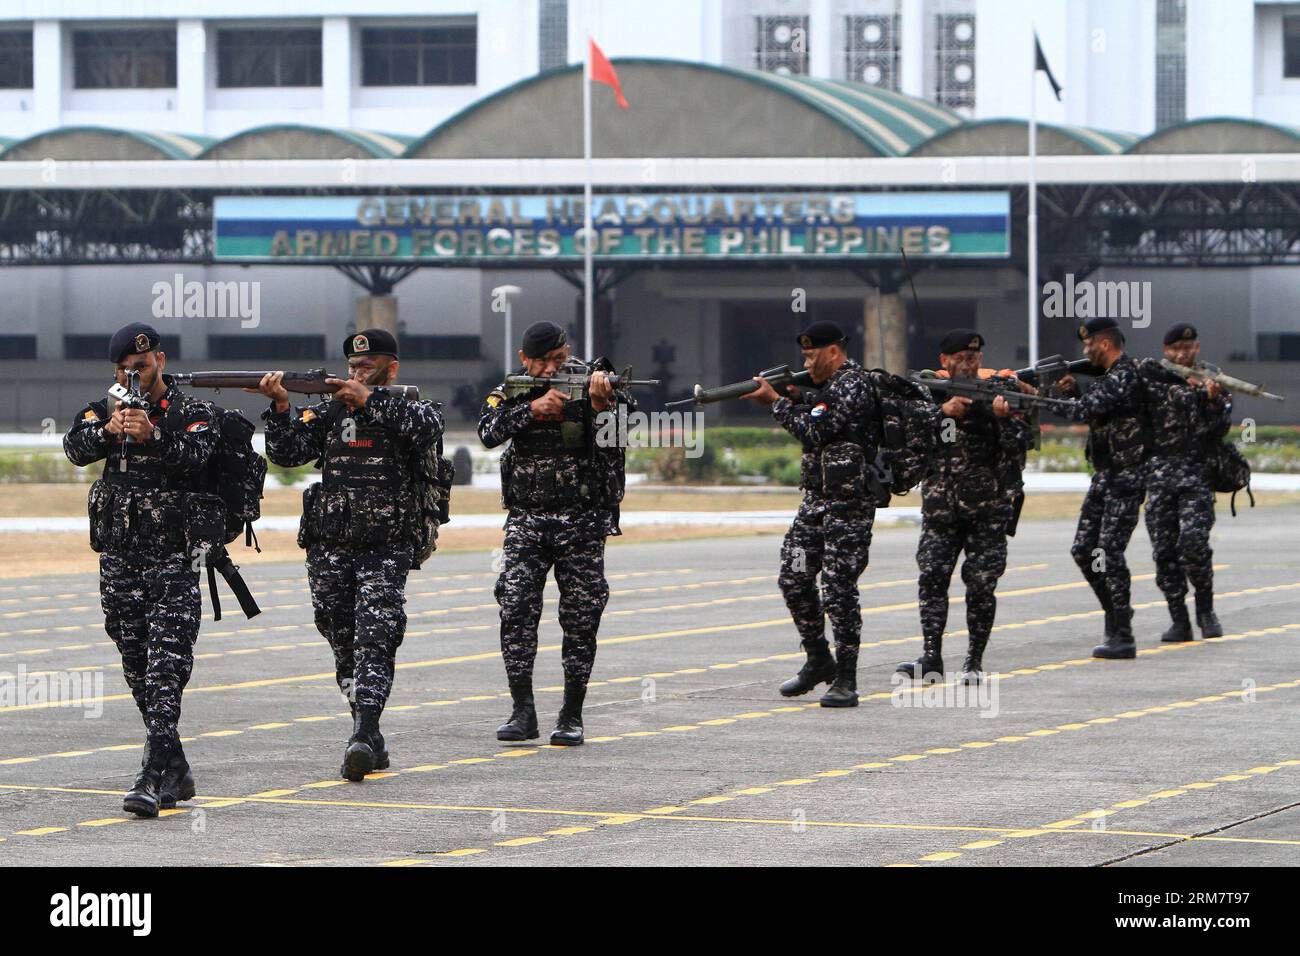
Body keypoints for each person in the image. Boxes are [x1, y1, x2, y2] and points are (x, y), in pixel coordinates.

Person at [256, 328, 444, 781]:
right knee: (338, 631)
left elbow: (426, 430)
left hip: (386, 541)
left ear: (391, 369)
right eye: (353, 367)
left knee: (376, 632)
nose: (357, 373)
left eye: (368, 367)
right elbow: (287, 454)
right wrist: (280, 406)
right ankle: (368, 731)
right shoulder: (327, 411)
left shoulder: (411, 407)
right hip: (331, 541)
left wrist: (370, 401)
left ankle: (365, 729)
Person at [63, 322, 220, 817]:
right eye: (127, 367)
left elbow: (198, 458)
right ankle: (174, 765)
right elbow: (73, 448)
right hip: (120, 559)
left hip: (174, 560)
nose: (136, 373)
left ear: (161, 361)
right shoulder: (107, 408)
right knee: (134, 660)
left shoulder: (193, 412)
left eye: (144, 364)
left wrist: (153, 435)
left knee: (165, 666)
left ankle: (152, 772)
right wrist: (107, 429)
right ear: (117, 369)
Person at [479, 321, 630, 746]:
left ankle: (571, 714)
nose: (550, 369)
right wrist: (532, 409)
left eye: (558, 359)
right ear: (524, 359)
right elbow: (487, 432)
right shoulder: (512, 389)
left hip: (581, 520)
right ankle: (522, 711)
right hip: (526, 519)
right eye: (541, 361)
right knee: (516, 607)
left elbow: (623, 435)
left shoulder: (593, 382)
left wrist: (603, 406)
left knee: (581, 616)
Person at [742, 320, 878, 707]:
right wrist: (794, 398)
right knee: (794, 576)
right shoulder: (824, 389)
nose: (807, 361)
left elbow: (817, 430)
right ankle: (819, 658)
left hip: (848, 506)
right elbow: (814, 416)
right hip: (816, 503)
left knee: (838, 589)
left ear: (833, 351)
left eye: (811, 354)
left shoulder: (852, 383)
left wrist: (777, 402)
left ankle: (847, 679)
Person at [897, 330, 1034, 684]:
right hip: (940, 511)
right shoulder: (929, 396)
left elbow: (1022, 445)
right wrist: (944, 413)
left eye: (974, 358)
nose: (969, 364)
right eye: (961, 358)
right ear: (945, 362)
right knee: (931, 580)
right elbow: (908, 434)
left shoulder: (997, 396)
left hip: (986, 512)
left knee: (981, 585)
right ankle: (931, 656)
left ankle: (973, 660)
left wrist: (1002, 419)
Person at [1057, 317, 1152, 659]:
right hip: (1105, 476)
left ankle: (1123, 635)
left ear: (1105, 343)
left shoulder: (1125, 374)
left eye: (1088, 344)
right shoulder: (1110, 378)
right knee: (1084, 549)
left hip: (1126, 477)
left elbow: (1087, 410)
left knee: (1110, 552)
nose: (1085, 350)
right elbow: (1098, 411)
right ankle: (1115, 610)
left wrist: (1042, 398)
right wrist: (1073, 391)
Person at [1141, 323, 1230, 641]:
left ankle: (1205, 610)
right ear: (1166, 350)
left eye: (1189, 347)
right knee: (1164, 551)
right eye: (1177, 348)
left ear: (1198, 348)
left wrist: (1213, 403)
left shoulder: (1213, 380)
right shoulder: (1152, 379)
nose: (1183, 353)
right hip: (1160, 479)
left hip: (1196, 477)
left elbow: (1220, 430)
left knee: (1193, 546)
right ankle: (1178, 619)